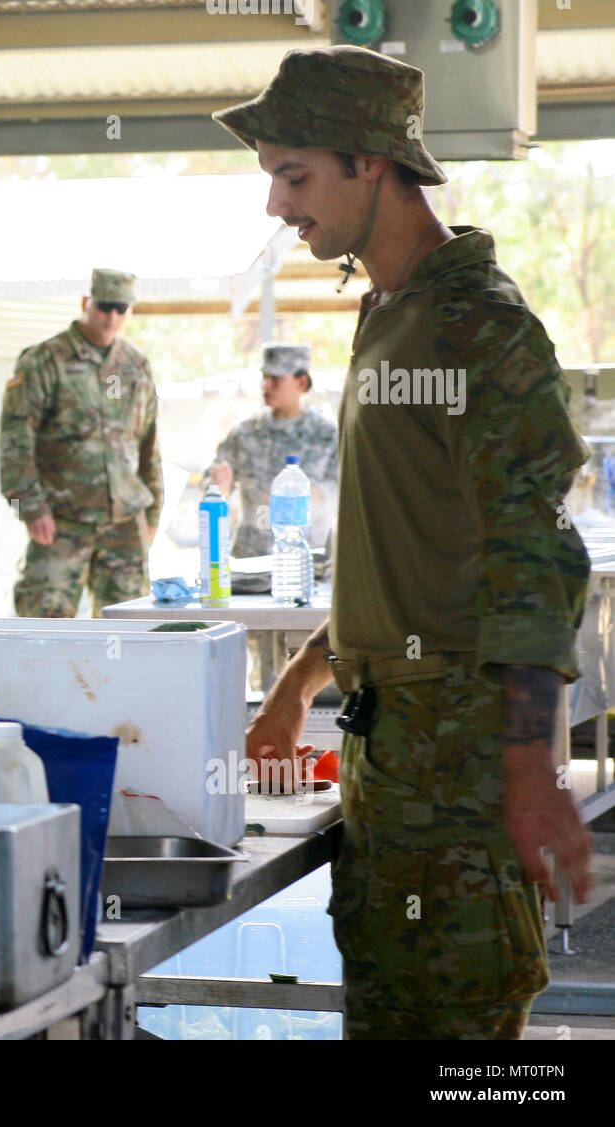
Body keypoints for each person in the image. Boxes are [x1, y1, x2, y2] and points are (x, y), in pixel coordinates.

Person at [214, 45, 593, 1039]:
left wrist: (528, 767)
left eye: (293, 176)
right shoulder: (389, 313)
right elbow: (402, 548)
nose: (275, 205)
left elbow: (537, 550)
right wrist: (299, 682)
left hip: (458, 771)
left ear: (370, 161)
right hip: (393, 759)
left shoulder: (474, 321)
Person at [0, 268, 163, 617]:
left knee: (130, 628)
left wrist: (153, 512)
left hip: (124, 521)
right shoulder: (45, 361)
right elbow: (15, 439)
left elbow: (148, 442)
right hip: (60, 520)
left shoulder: (134, 366)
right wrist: (29, 506)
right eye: (105, 307)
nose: (112, 317)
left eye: (121, 309)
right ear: (86, 303)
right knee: (45, 627)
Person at [209, 342, 338, 558]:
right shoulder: (244, 433)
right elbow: (212, 487)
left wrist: (312, 493)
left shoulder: (327, 435)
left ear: (301, 382)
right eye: (264, 378)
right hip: (251, 558)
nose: (266, 386)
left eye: (276, 379)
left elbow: (345, 491)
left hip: (307, 559)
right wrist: (219, 487)